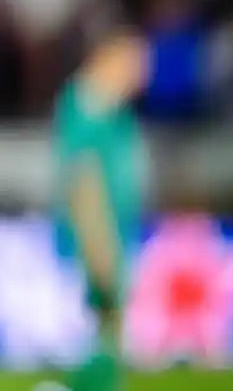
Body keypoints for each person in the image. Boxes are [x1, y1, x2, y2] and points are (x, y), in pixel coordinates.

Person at [52, 31, 150, 391]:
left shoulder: (110, 107)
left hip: (113, 231)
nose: (142, 74)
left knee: (110, 330)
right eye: (136, 63)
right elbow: (84, 181)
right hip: (97, 235)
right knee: (103, 328)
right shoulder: (89, 107)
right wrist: (99, 244)